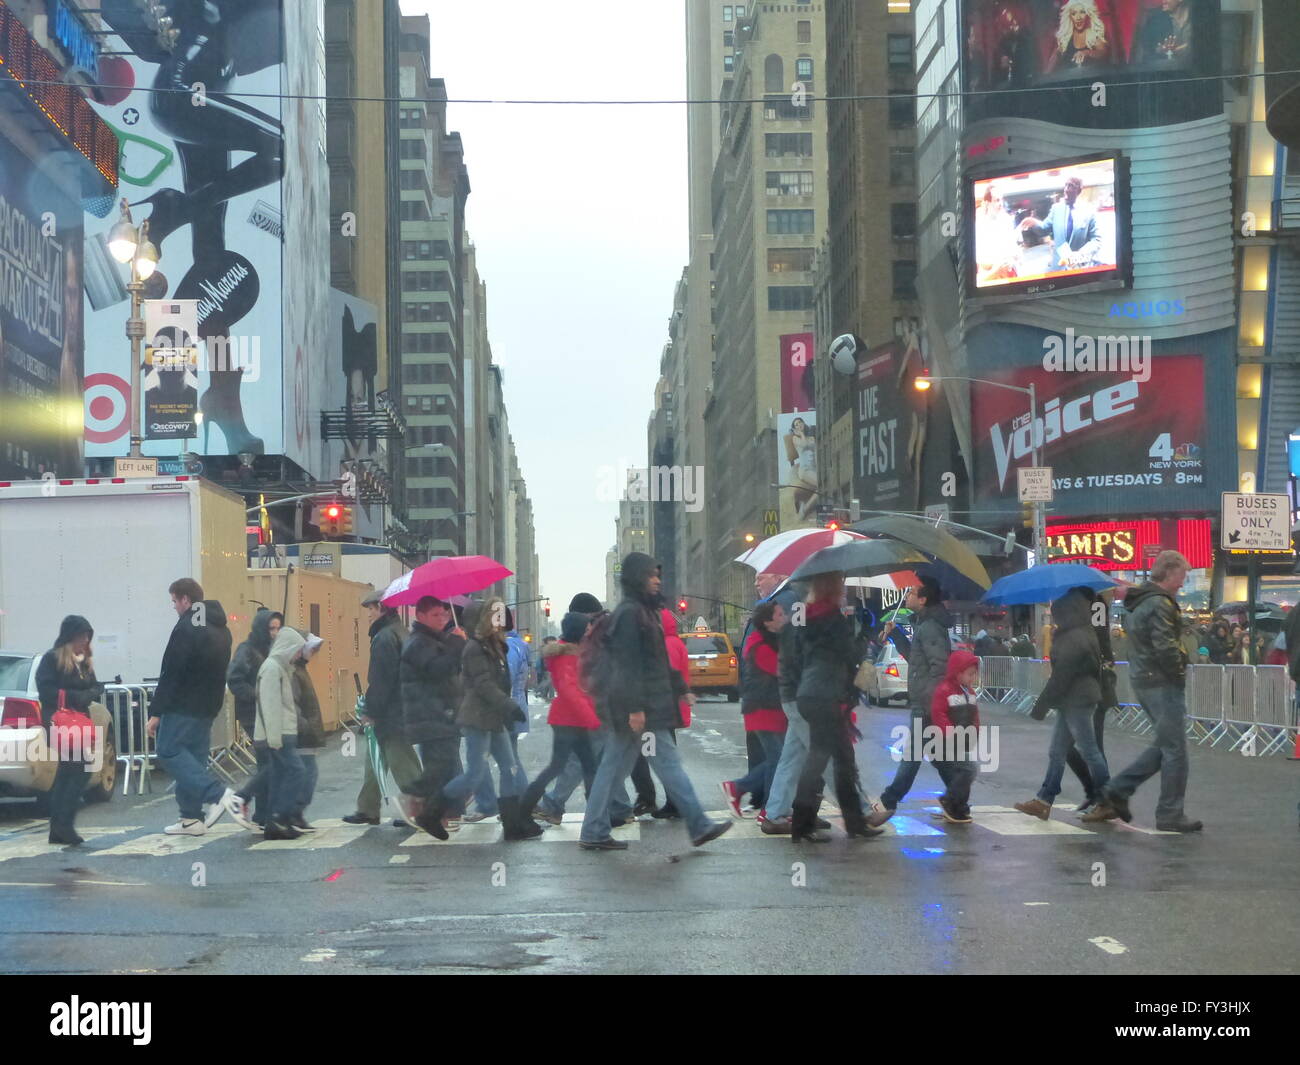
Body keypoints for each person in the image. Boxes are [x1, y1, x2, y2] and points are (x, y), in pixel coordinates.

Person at [579, 553, 731, 851]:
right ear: (638, 577)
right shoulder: (629, 614)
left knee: (613, 770)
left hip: (645, 707)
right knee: (665, 765)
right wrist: (635, 709)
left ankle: (594, 830)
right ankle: (698, 825)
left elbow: (657, 660)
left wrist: (680, 686)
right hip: (640, 709)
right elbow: (628, 665)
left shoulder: (644, 612)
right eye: (651, 574)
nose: (658, 579)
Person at [1085, 551, 1201, 832]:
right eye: (1182, 575)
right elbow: (1165, 646)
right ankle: (1169, 813)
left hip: (1144, 678)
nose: (1183, 582)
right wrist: (1179, 671)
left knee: (1165, 745)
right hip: (1162, 681)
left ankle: (1118, 790)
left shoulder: (1138, 603)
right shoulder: (1160, 604)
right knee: (1175, 750)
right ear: (1170, 572)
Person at [433, 599, 541, 841]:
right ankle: (433, 808)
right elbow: (483, 685)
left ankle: (513, 824)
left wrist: (507, 708)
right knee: (475, 773)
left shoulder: (494, 645)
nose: (499, 621)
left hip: (494, 717)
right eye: (495, 617)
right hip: (478, 718)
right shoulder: (475, 648)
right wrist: (510, 706)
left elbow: (501, 681)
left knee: (509, 767)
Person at [789, 572, 876, 842]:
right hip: (826, 694)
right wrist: (865, 634)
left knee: (843, 759)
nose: (844, 588)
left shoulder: (805, 616)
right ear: (834, 587)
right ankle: (802, 824)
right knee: (819, 759)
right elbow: (850, 655)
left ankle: (855, 822)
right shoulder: (833, 618)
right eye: (841, 584)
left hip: (810, 692)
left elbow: (800, 654)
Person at [147, 578, 238, 836]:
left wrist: (156, 711)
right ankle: (191, 819)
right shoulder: (222, 629)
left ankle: (218, 794)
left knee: (169, 751)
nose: (174, 607)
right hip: (208, 706)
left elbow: (171, 672)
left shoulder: (187, 627)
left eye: (175, 601)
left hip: (182, 705)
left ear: (186, 600)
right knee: (194, 761)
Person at [1015, 589, 1109, 822]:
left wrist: (1041, 705)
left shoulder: (1073, 636)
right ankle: (1044, 800)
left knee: (1089, 750)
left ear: (1066, 609)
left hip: (1077, 698)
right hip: (1074, 698)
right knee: (1058, 751)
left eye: (1055, 607)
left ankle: (1109, 801)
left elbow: (1062, 675)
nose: (1052, 611)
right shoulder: (1078, 632)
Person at [869, 578, 953, 826]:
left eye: (912, 592)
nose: (907, 596)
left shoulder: (930, 627)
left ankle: (889, 801)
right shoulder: (924, 625)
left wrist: (932, 700)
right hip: (925, 699)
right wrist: (894, 634)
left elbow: (940, 666)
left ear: (923, 599)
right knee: (937, 755)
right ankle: (958, 802)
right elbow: (916, 658)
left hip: (926, 701)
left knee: (913, 753)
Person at [343, 590, 423, 827]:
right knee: (375, 759)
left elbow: (381, 680)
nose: (368, 614)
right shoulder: (400, 632)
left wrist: (371, 710)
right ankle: (367, 807)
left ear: (381, 607)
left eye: (370, 609)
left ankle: (419, 808)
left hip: (392, 712)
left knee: (402, 761)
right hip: (401, 707)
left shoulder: (384, 638)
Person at [519, 610, 603, 820]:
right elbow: (570, 691)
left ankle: (595, 816)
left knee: (585, 766)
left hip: (571, 719)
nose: (589, 631)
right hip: (568, 720)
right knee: (561, 767)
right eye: (586, 628)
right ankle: (525, 806)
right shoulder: (566, 657)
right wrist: (591, 718)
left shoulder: (571, 653)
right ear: (578, 631)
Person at [396, 595, 466, 839]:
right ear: (421, 616)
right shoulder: (417, 642)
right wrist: (456, 645)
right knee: (441, 765)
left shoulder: (435, 639)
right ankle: (415, 794)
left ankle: (431, 813)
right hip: (428, 713)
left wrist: (456, 644)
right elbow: (438, 669)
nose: (442, 619)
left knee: (445, 766)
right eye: (436, 615)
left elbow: (451, 668)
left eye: (444, 614)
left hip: (441, 713)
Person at [36, 616, 102, 845]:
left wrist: (93, 692)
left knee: (69, 773)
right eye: (81, 636)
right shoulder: (52, 659)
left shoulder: (83, 661)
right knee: (78, 771)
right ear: (70, 636)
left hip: (78, 723)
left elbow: (94, 685)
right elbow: (45, 689)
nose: (84, 641)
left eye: (87, 636)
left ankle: (60, 827)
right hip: (61, 723)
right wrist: (76, 696)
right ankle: (63, 826)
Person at [720, 601, 788, 819]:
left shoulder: (766, 641)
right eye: (779, 614)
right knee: (778, 760)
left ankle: (763, 803)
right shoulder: (762, 646)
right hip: (763, 710)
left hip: (768, 710)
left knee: (777, 760)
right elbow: (784, 672)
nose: (783, 616)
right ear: (768, 621)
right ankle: (741, 790)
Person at [466, 607, 533, 822]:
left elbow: (499, 680)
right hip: (512, 707)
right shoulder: (520, 644)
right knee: (509, 762)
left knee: (497, 762)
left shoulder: (504, 646)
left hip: (502, 710)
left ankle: (498, 804)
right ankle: (516, 806)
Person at [226, 608, 281, 825]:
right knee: (272, 762)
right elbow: (234, 678)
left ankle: (263, 813)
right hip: (253, 714)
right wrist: (257, 696)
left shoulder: (270, 650)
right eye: (271, 628)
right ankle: (244, 797)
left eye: (278, 628)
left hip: (267, 713)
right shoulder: (247, 650)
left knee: (267, 762)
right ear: (261, 628)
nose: (275, 632)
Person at [253, 626, 308, 840]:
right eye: (297, 649)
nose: (299, 654)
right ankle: (279, 816)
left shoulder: (279, 667)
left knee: (278, 776)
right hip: (278, 734)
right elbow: (270, 705)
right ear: (288, 648)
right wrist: (274, 738)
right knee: (296, 772)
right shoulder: (273, 668)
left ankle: (275, 822)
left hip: (280, 733)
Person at [930, 650, 983, 824]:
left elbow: (974, 715)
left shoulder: (970, 693)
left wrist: (975, 730)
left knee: (963, 773)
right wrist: (950, 733)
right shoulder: (945, 691)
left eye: (974, 674)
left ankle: (958, 806)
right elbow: (939, 714)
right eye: (969, 674)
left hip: (961, 741)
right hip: (946, 742)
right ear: (957, 672)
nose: (972, 678)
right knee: (969, 769)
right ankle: (950, 800)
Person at [1019, 176, 1101, 272]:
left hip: (1081, 267)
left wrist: (1080, 254)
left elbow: (1096, 240)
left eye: (1070, 186)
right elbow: (1044, 229)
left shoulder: (1088, 211)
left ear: (1078, 190)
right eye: (1065, 185)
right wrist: (1034, 222)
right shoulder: (1056, 209)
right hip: (1058, 268)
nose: (1066, 189)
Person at [291, 632, 325, 831]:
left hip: (304, 731)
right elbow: (295, 703)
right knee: (307, 772)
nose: (313, 652)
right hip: (303, 733)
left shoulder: (299, 669)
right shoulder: (296, 671)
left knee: (306, 772)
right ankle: (295, 812)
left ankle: (295, 813)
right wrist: (303, 725)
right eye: (311, 648)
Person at [1044, 0, 1113, 77]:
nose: (1078, 17)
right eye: (1074, 13)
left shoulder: (1094, 33)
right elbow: (1052, 63)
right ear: (1070, 16)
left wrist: (1087, 53)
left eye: (1082, 12)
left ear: (1088, 14)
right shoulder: (1065, 37)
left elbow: (1103, 52)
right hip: (1068, 83)